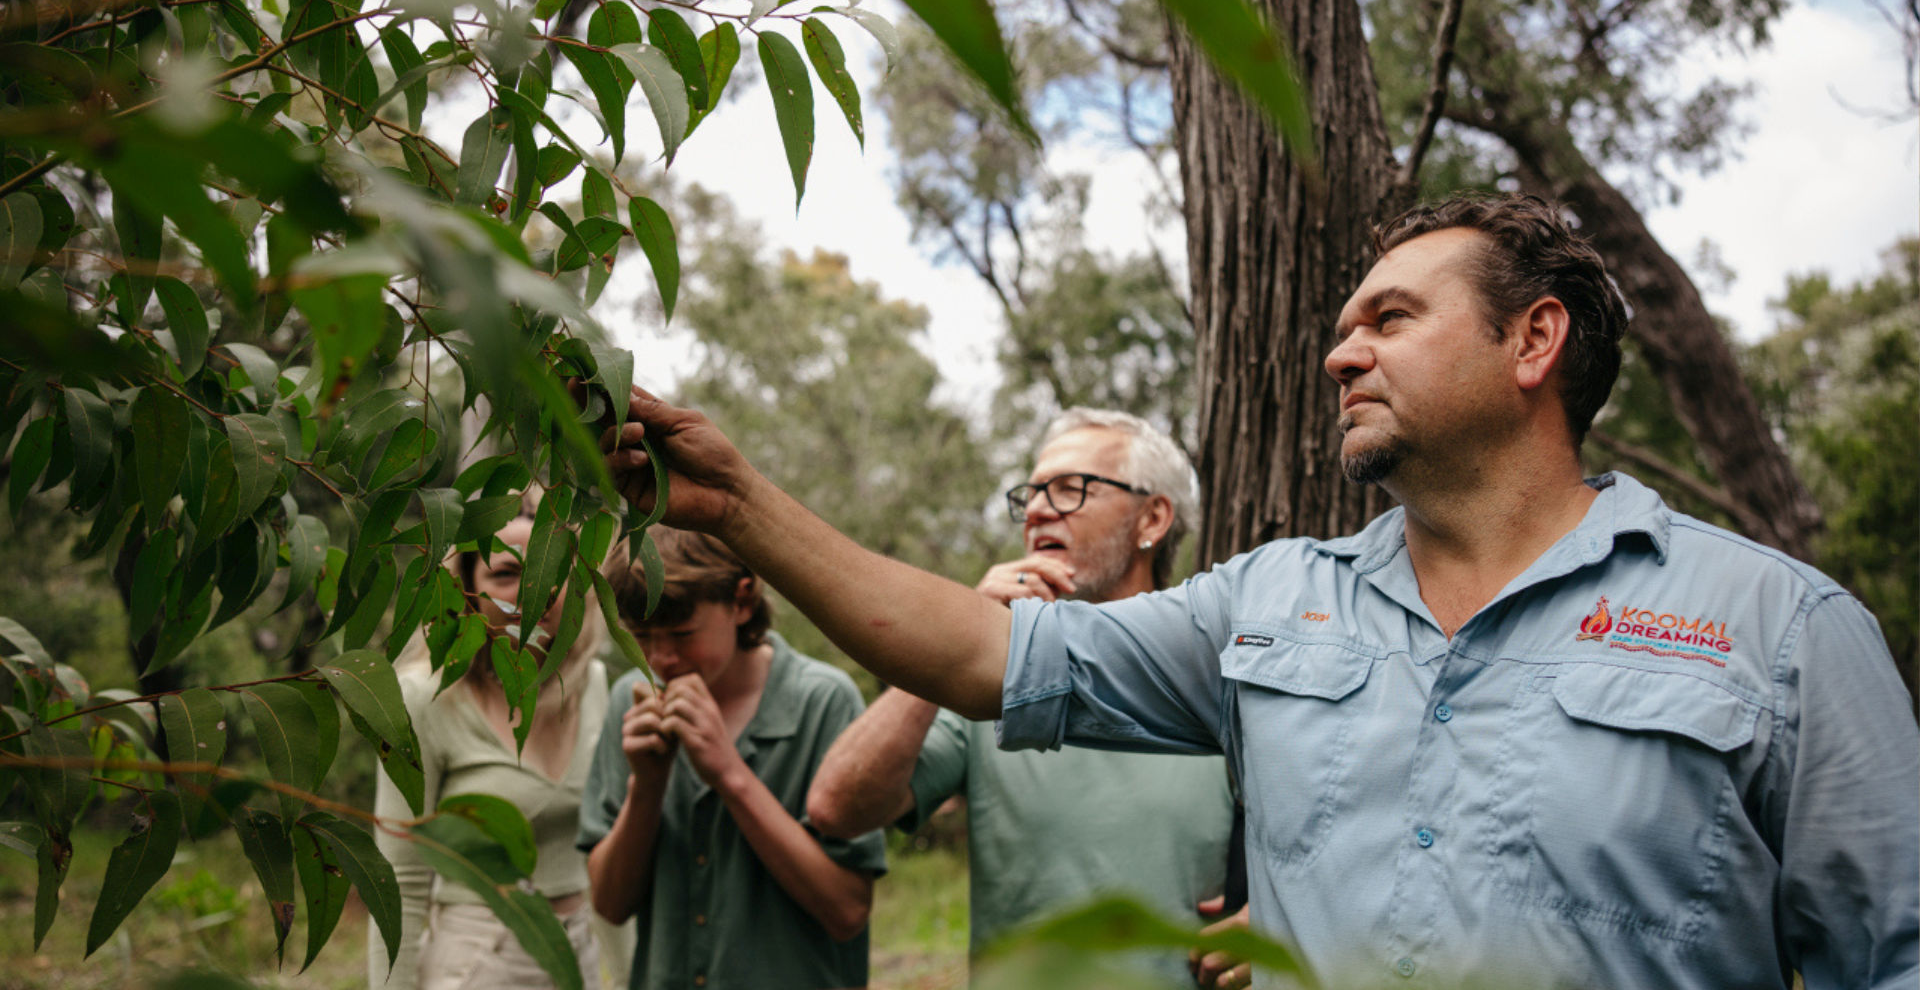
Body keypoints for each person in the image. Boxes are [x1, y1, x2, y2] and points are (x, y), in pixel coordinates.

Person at [594, 193, 1919, 989]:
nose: (1342, 352)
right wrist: (743, 508)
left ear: (1534, 340)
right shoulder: (1269, 606)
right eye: (1343, 326)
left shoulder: (1782, 635)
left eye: (1390, 319)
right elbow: (989, 657)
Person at [805, 408, 1236, 985]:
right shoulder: (990, 685)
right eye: (1031, 494)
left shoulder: (1219, 668)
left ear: (1151, 518)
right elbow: (838, 808)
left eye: (1068, 490)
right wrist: (957, 644)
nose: (1035, 510)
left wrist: (1277, 919)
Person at [577, 526, 887, 990]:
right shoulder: (631, 700)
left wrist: (727, 772)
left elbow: (847, 911)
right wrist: (647, 786)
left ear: (741, 602)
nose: (660, 658)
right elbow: (611, 904)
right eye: (641, 636)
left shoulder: (822, 702)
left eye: (681, 634)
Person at [372, 509, 610, 990]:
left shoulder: (593, 684)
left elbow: (608, 857)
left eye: (553, 569)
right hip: (477, 965)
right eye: (505, 574)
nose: (533, 591)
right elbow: (399, 879)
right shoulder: (423, 697)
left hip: (578, 957)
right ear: (465, 591)